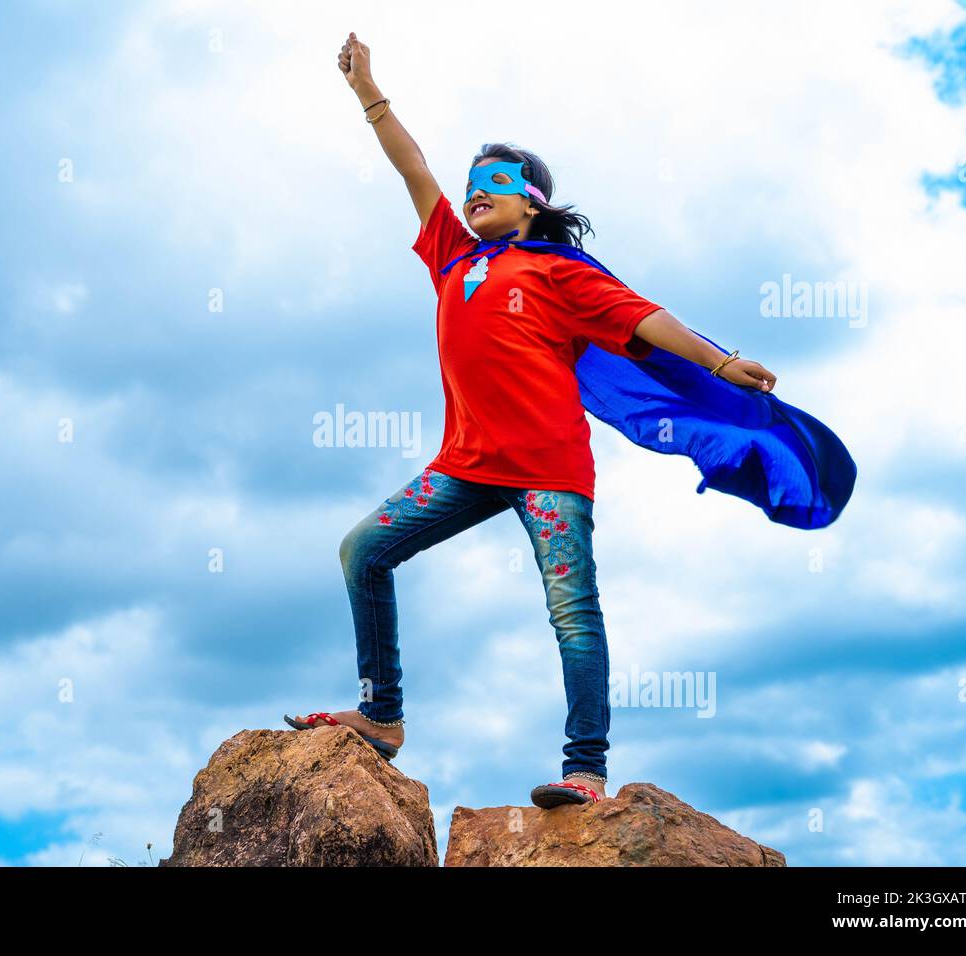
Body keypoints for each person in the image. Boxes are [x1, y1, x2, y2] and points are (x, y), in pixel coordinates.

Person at [286, 32, 776, 808]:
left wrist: (719, 364)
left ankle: (585, 768)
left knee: (571, 610)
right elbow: (411, 168)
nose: (475, 191)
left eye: (496, 184)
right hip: (464, 467)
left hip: (549, 472)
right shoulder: (453, 256)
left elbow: (646, 319)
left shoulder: (558, 273)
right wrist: (366, 90)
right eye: (472, 183)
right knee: (363, 551)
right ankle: (382, 715)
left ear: (531, 202)